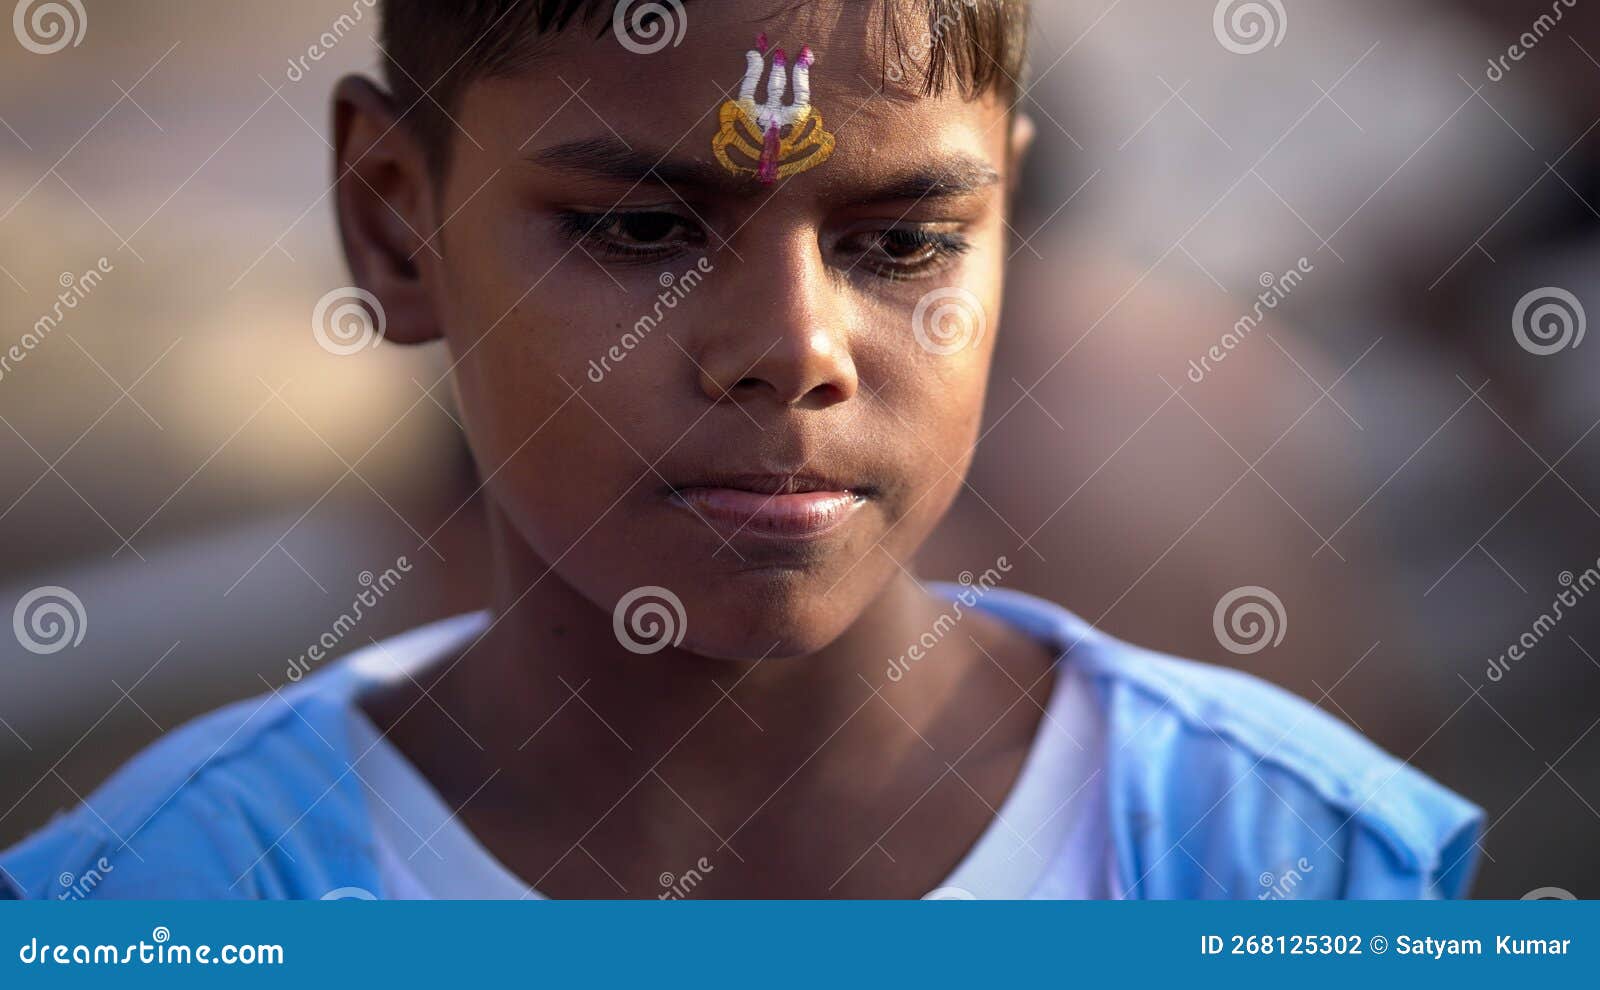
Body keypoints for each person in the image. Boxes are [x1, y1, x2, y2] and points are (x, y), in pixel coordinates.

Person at [0, 0, 1481, 900]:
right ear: (395, 220)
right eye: (639, 230)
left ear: (1005, 233)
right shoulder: (159, 900)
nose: (795, 346)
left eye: (905, 241)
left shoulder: (1308, 855)